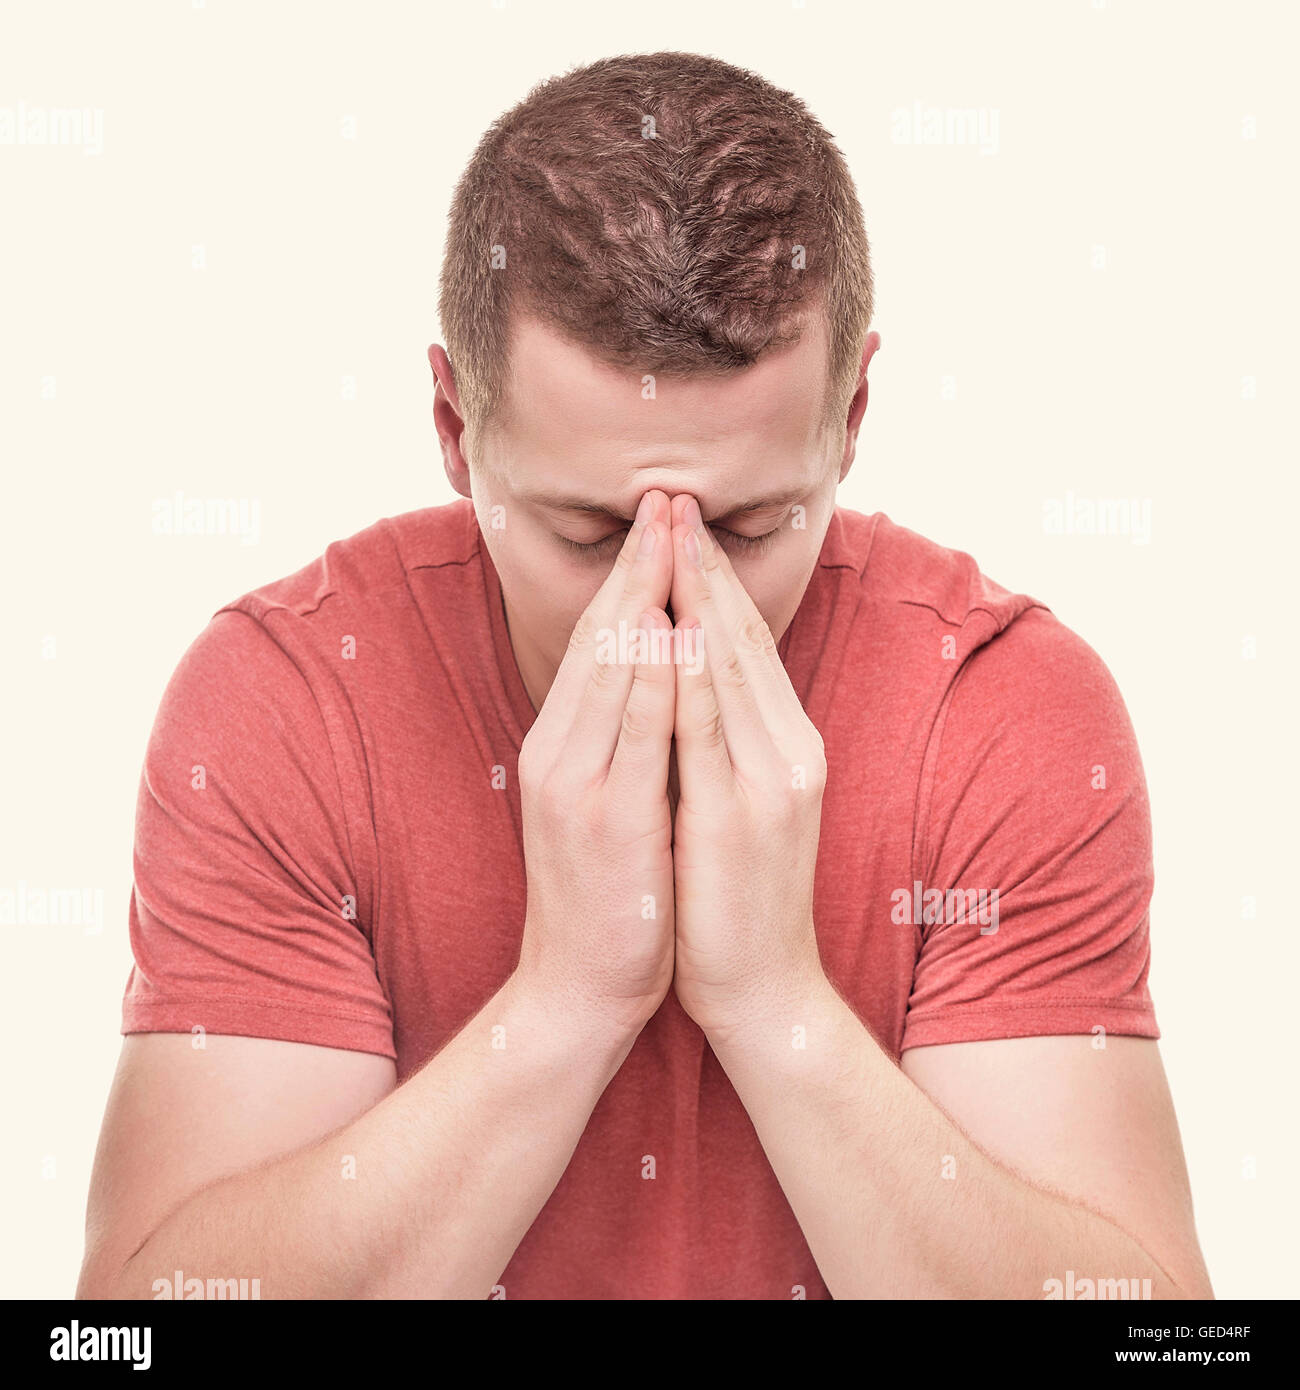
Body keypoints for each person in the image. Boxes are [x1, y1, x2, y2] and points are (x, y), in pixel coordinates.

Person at [77, 51, 1212, 1300]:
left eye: (750, 526)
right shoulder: (287, 701)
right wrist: (566, 1000)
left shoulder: (999, 708)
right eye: (586, 533)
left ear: (851, 418)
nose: (667, 597)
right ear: (455, 430)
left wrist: (772, 1000)